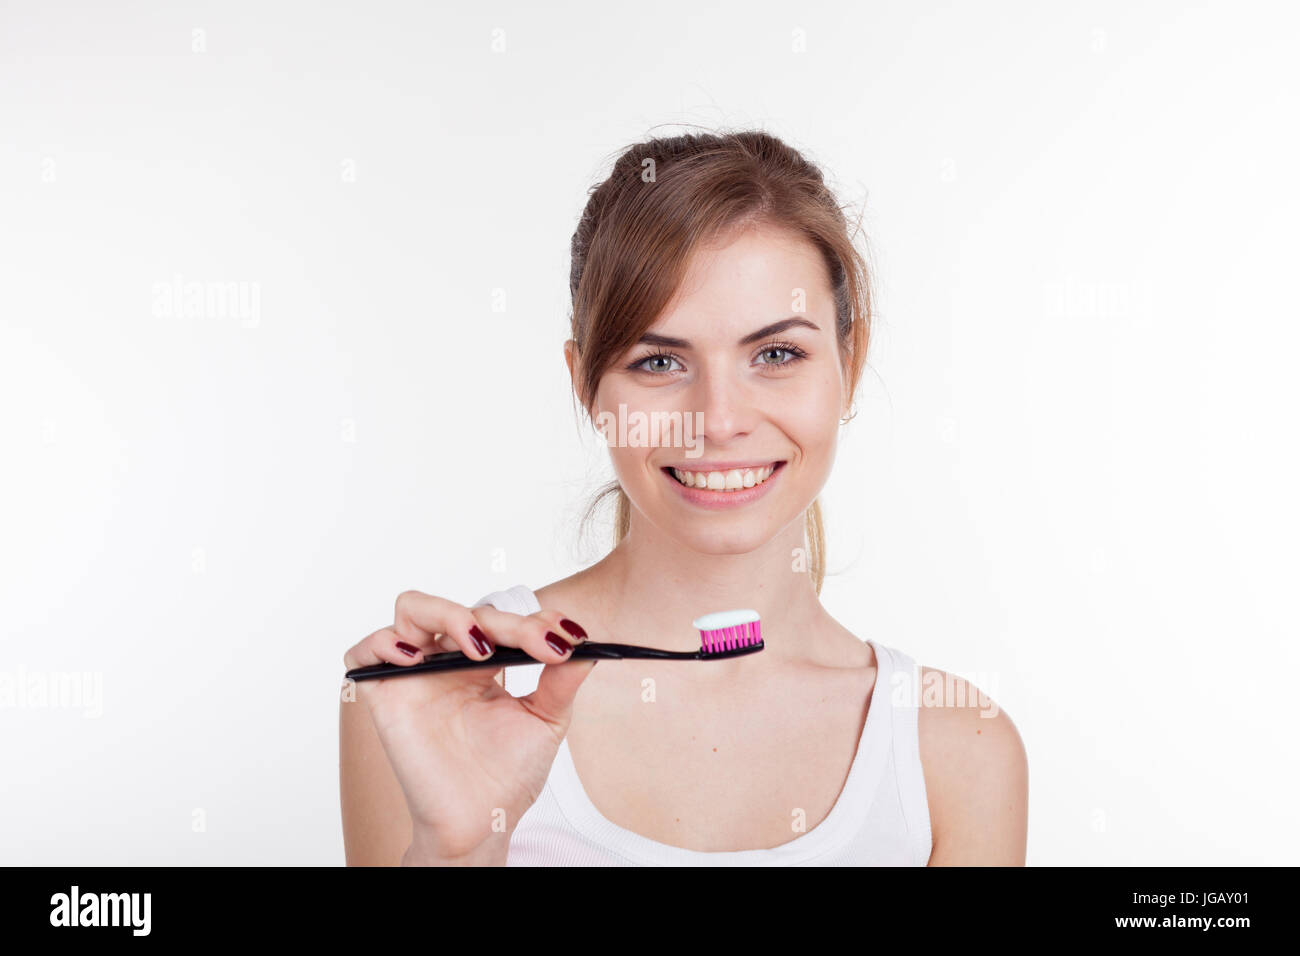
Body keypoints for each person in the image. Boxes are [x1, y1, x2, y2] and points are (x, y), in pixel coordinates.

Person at [340, 129, 1028, 866]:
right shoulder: (440, 701)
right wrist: (453, 851)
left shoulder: (956, 750)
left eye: (776, 354)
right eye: (660, 361)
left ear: (848, 366)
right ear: (587, 387)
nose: (720, 419)